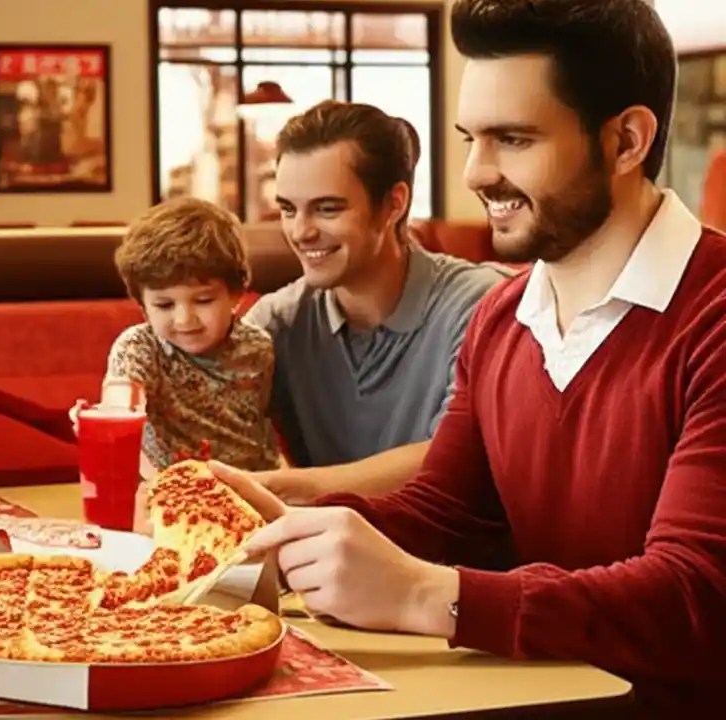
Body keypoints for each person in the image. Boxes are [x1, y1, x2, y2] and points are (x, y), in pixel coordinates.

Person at [216, 0, 724, 714]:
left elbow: (696, 595)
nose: (477, 173)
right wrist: (291, 532)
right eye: (469, 139)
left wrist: (431, 596)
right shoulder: (499, 318)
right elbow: (451, 513)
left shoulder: (715, 317)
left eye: (512, 139)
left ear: (627, 140)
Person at [241, 100, 510, 503]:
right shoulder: (277, 322)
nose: (300, 232)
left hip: (445, 560)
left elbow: (459, 456)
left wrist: (293, 488)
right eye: (287, 209)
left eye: (327, 208)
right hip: (320, 555)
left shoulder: (479, 305)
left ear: (394, 204)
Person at [102, 197, 280, 476]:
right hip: (170, 489)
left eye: (204, 300)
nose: (184, 319)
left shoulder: (259, 347)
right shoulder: (139, 348)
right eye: (164, 305)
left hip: (253, 485)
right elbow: (120, 409)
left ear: (236, 294)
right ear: (143, 306)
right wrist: (112, 419)